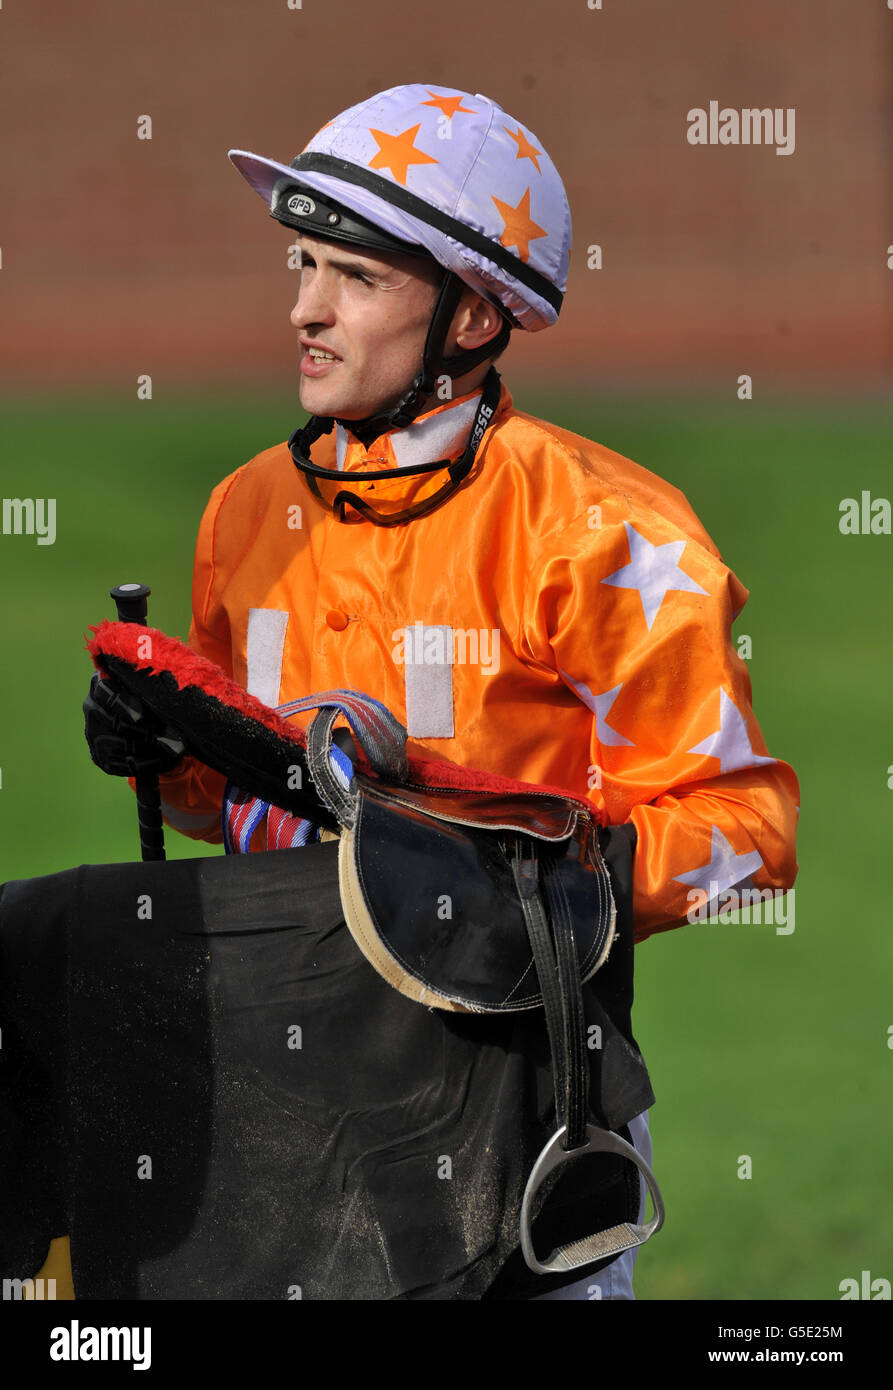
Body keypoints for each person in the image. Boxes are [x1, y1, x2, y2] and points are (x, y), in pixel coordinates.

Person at [84, 82, 799, 1299]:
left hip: (510, 1112)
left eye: (354, 278)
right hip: (273, 1082)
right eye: (301, 262)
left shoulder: (603, 531)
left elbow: (746, 836)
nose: (304, 309)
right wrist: (168, 750)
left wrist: (536, 881)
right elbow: (227, 808)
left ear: (473, 313)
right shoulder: (245, 507)